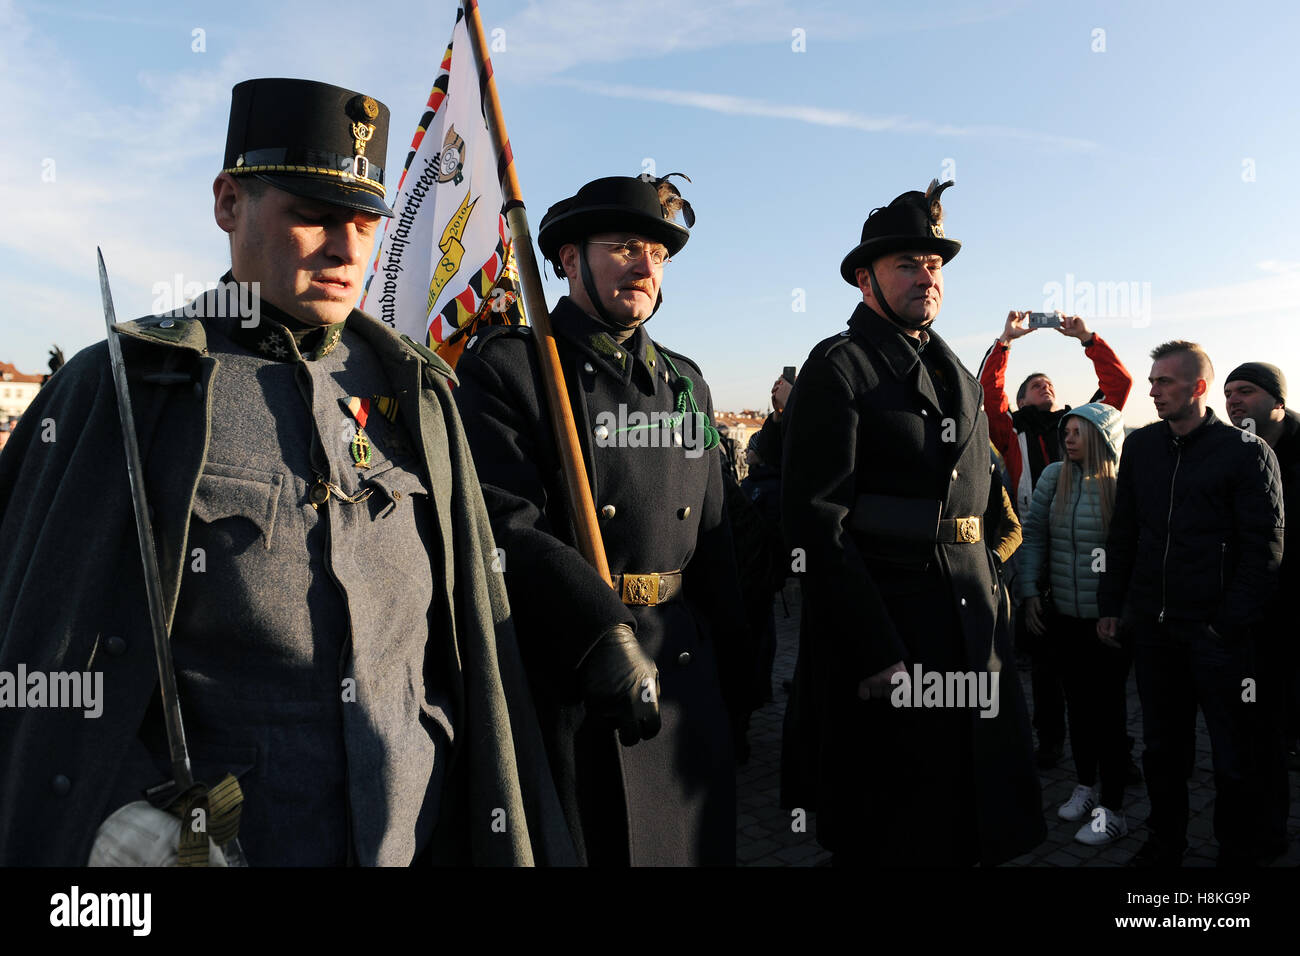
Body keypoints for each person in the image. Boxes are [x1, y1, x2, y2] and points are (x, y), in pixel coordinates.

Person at [0, 78, 571, 867]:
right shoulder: (126, 391)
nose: (347, 249)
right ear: (229, 202)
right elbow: (37, 660)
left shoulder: (416, 393)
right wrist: (123, 809)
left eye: (366, 222)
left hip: (416, 841)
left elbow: (465, 648)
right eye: (313, 215)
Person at [452, 173, 746, 866]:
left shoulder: (687, 382)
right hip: (579, 675)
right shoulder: (514, 367)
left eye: (658, 253)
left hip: (681, 671)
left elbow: (713, 540)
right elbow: (506, 525)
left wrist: (734, 672)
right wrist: (599, 635)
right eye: (622, 247)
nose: (644, 266)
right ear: (567, 259)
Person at [779, 179, 1044, 866]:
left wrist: (994, 584)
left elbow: (990, 503)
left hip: (969, 631)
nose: (926, 276)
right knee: (894, 829)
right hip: (892, 636)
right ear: (864, 278)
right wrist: (873, 649)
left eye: (934, 265)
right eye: (907, 264)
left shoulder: (954, 366)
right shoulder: (841, 366)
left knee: (966, 819)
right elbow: (816, 522)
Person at [1099, 341, 1284, 867]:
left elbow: (1265, 548)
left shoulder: (1247, 453)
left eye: (1164, 382)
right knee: (1162, 751)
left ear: (1197, 387)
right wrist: (1113, 603)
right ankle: (1164, 843)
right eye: (1152, 381)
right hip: (1155, 634)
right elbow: (1125, 533)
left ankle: (1236, 851)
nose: (1153, 390)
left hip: (1217, 636)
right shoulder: (1141, 448)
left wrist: (1227, 624)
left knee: (1232, 756)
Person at [978, 311, 1133, 774]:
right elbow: (987, 393)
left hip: (1088, 545)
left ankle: (1117, 752)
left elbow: (1119, 387)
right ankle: (1050, 740)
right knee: (1046, 656)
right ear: (1022, 398)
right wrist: (1006, 340)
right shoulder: (1008, 430)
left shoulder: (1081, 423)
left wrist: (1086, 338)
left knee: (1101, 660)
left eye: (1049, 383)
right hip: (1033, 543)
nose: (1044, 386)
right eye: (1034, 384)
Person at [1016, 403, 1131, 845]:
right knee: (1079, 707)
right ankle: (1085, 787)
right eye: (1066, 430)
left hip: (1108, 623)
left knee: (1111, 714)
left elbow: (1131, 552)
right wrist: (1029, 593)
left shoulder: (1122, 485)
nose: (1068, 438)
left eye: (1078, 431)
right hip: (1064, 615)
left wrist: (1119, 612)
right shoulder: (1052, 477)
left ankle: (1114, 807)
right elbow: (1034, 537)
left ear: (1102, 437)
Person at [1223, 361, 1298, 858]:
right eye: (1229, 394)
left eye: (1246, 392)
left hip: (1291, 616)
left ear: (1277, 399)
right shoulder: (1232, 454)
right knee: (1256, 733)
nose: (1235, 402)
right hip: (1249, 620)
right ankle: (1259, 837)